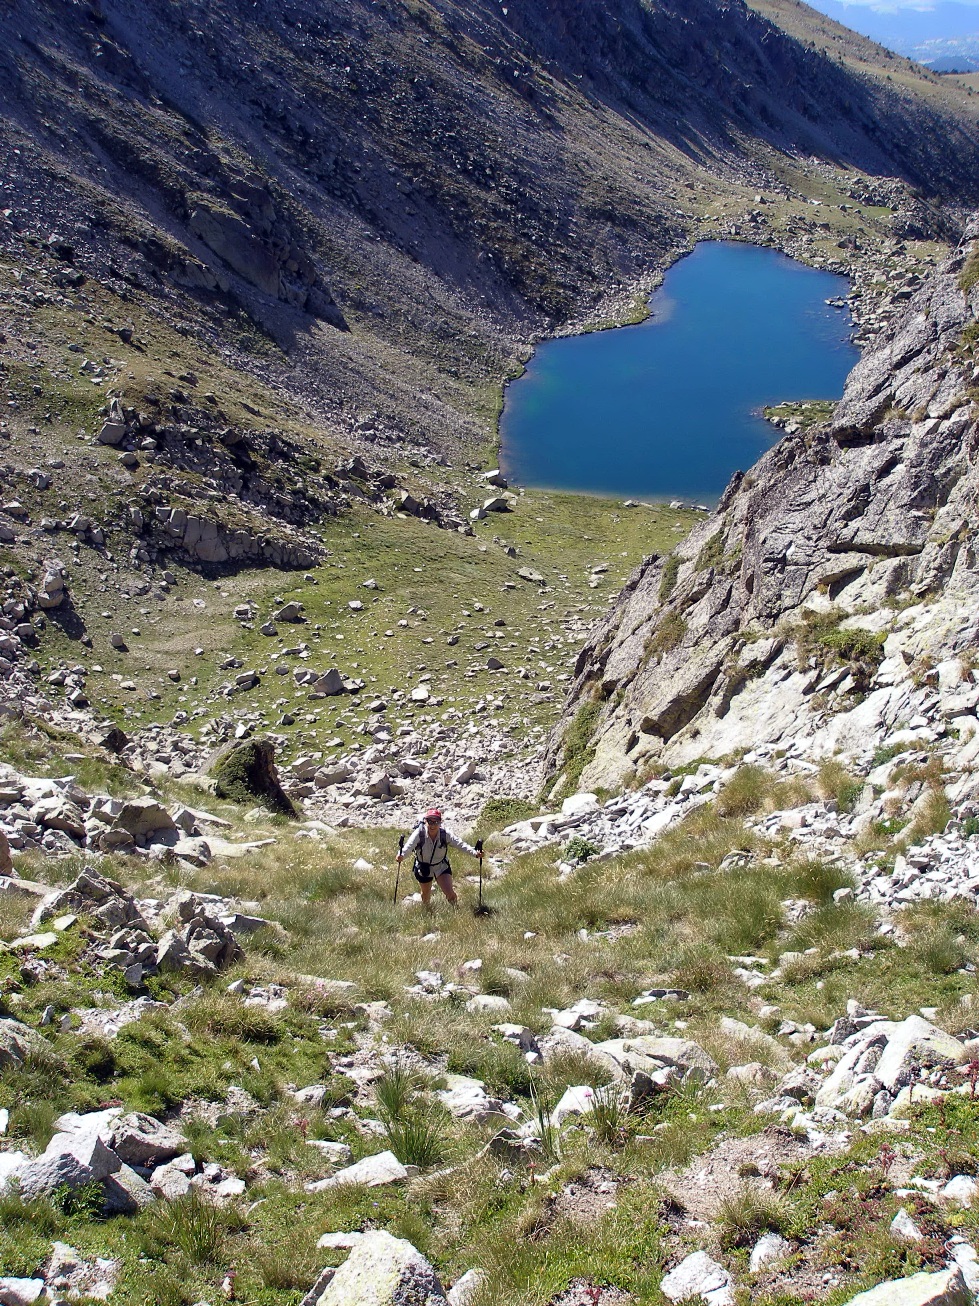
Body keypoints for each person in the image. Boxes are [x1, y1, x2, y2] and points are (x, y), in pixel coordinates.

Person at [398, 808, 481, 905]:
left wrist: (475, 853)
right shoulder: (419, 833)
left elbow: (460, 844)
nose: (433, 825)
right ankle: (427, 910)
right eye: (430, 821)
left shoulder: (445, 834)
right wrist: (401, 856)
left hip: (441, 866)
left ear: (440, 822)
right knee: (426, 895)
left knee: (450, 894)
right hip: (423, 868)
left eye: (436, 822)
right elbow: (408, 847)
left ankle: (455, 910)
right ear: (425, 821)